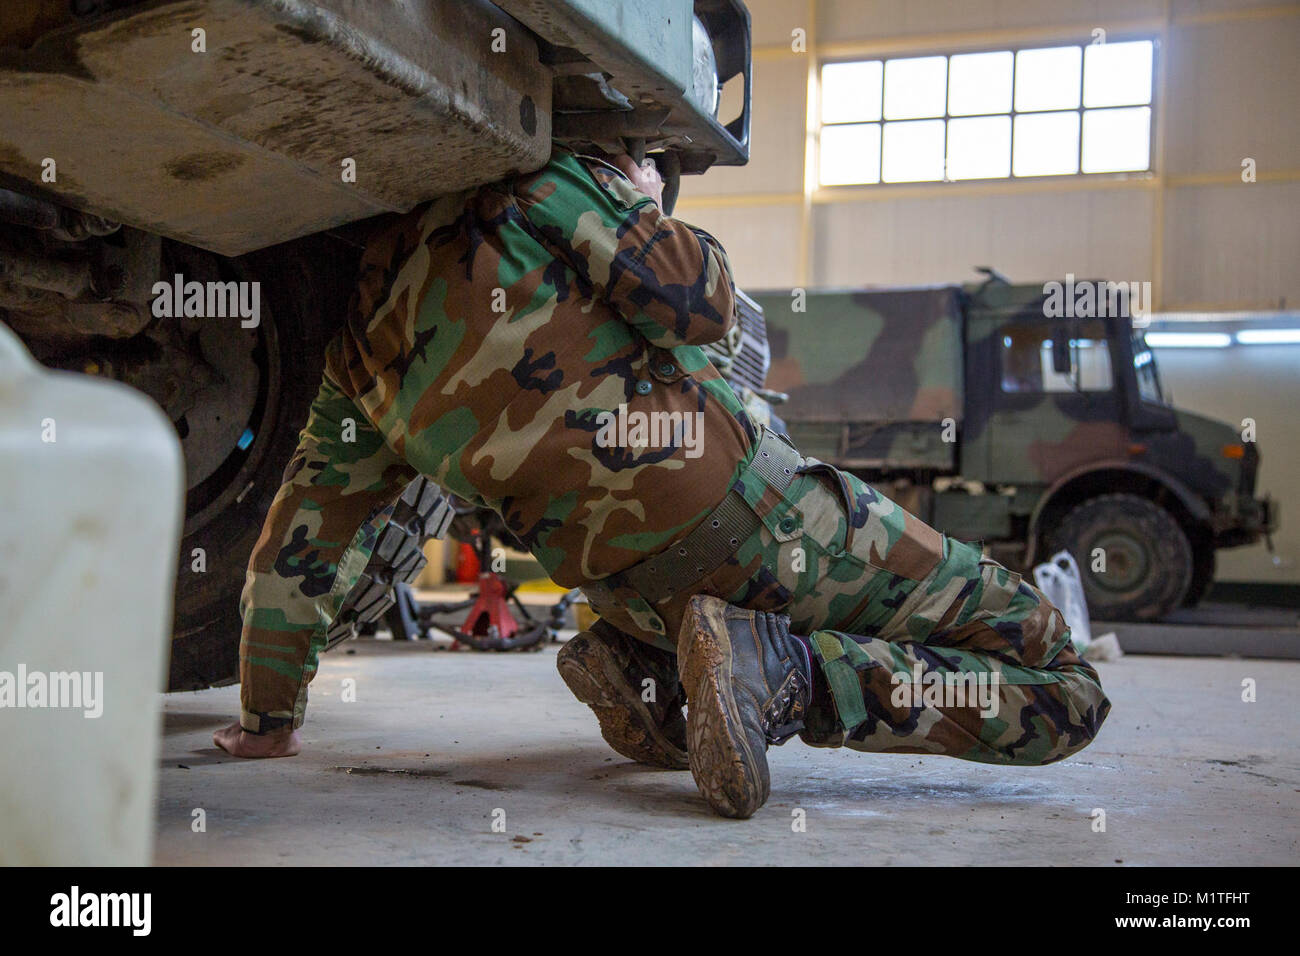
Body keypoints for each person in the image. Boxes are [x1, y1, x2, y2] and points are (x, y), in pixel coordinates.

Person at [215, 146, 1110, 818]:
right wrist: (639, 204)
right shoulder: (537, 191)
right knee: (1067, 682)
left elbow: (295, 547)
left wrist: (268, 715)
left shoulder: (355, 362)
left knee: (686, 617)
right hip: (769, 529)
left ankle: (657, 676)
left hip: (631, 592)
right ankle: (788, 675)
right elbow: (706, 301)